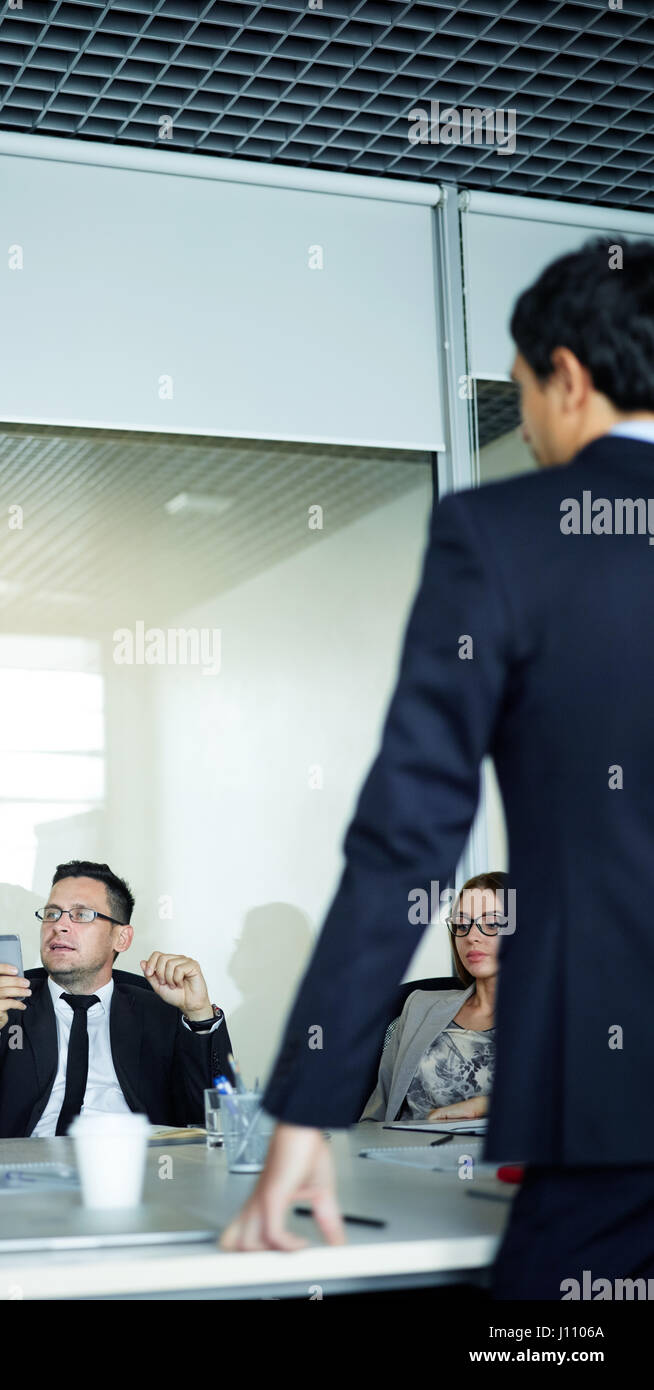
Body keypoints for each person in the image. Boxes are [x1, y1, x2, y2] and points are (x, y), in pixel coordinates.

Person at [220, 237, 654, 1299]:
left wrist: (307, 1103)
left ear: (565, 375)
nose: (534, 433)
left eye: (522, 396)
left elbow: (405, 839)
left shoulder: (502, 533)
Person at [0, 859, 232, 1139]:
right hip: (28, 1177)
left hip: (135, 1173)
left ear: (121, 938)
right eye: (51, 913)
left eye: (81, 915)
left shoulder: (158, 1009)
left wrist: (199, 1016)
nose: (59, 925)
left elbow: (218, 1121)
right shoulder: (6, 1006)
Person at [361, 872, 504, 1124]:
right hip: (398, 1154)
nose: (472, 936)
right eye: (462, 924)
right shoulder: (419, 1006)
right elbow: (377, 1112)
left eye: (491, 923)